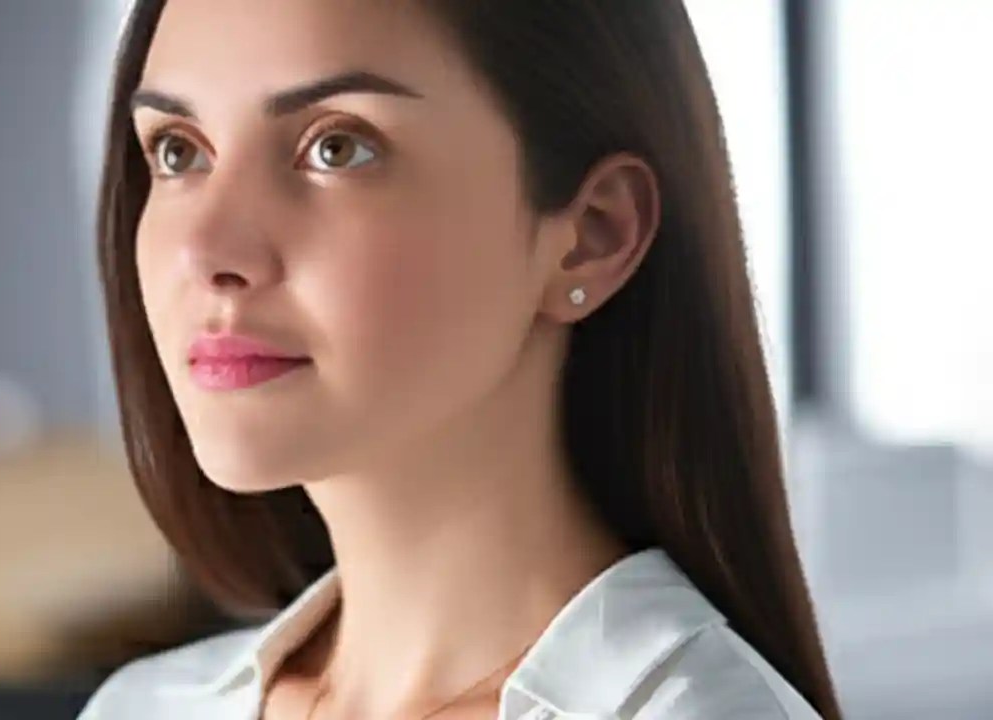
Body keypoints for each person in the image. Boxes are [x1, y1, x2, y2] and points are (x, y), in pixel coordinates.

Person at [78, 0, 842, 718]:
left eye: (337, 147)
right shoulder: (144, 708)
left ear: (591, 235)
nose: (208, 251)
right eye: (178, 153)